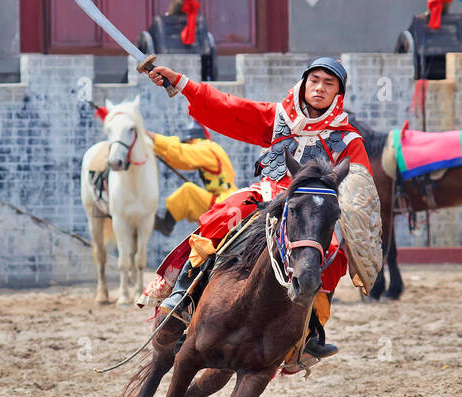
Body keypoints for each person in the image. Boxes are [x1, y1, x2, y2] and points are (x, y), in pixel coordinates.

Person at [144, 57, 382, 363]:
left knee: (333, 250)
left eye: (328, 83)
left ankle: (310, 332)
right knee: (225, 212)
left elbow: (360, 189)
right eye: (315, 81)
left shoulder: (348, 137)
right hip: (267, 195)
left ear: (339, 92)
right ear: (305, 83)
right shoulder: (277, 117)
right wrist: (181, 82)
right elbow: (228, 106)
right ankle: (183, 292)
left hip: (309, 210)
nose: (319, 88)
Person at [148, 124, 237, 235]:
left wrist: (154, 139)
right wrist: (158, 149)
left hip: (222, 201)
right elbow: (182, 161)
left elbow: (183, 153)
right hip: (224, 199)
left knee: (188, 191)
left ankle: (166, 225)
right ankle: (165, 225)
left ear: (191, 140)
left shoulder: (206, 149)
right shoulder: (210, 148)